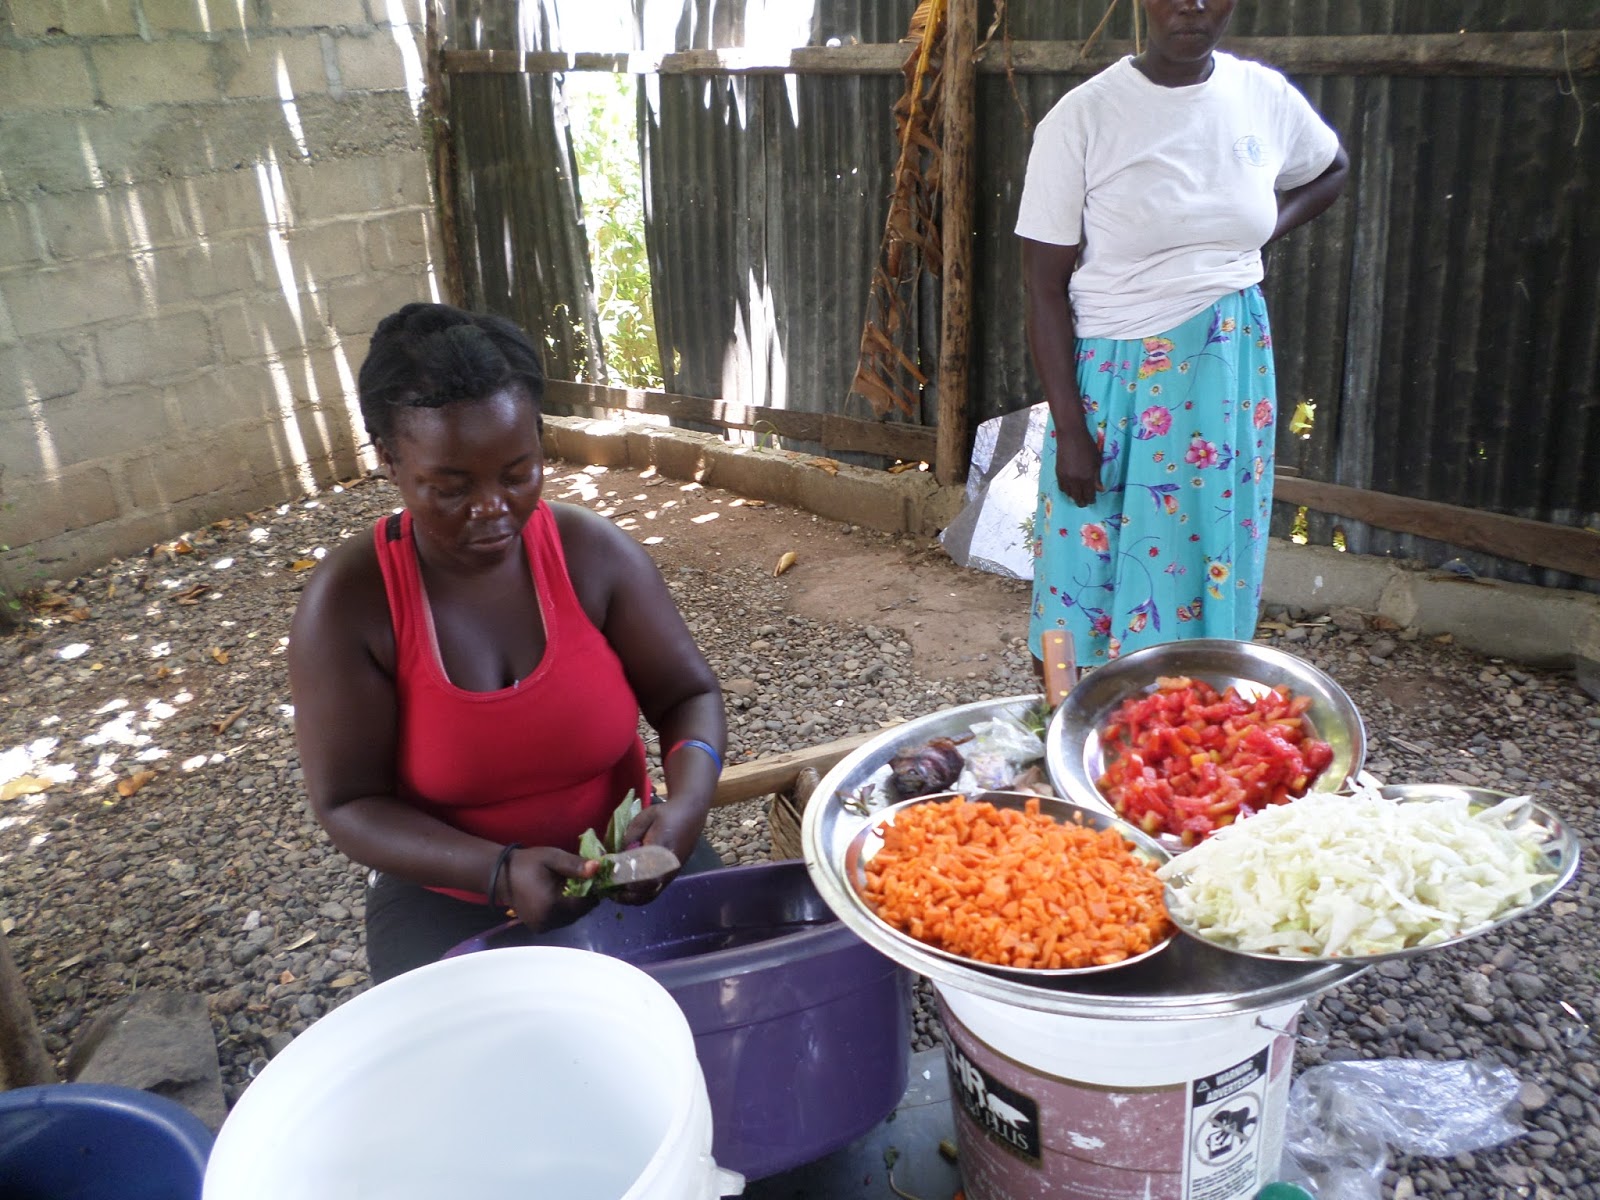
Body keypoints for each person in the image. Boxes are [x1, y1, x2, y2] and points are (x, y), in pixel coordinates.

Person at [288, 303, 726, 983]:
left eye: (518, 473)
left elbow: (688, 694)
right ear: (389, 461)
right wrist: (495, 873)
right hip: (450, 893)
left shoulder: (593, 558)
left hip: (632, 870)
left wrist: (686, 806)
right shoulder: (351, 605)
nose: (493, 508)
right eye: (449, 488)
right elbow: (348, 804)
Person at [1018, 0, 1348, 668]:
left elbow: (1332, 167)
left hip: (1227, 373)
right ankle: (1068, 728)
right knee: (1086, 570)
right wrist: (1073, 432)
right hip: (1118, 379)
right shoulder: (1084, 117)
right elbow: (1042, 288)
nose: (1192, 5)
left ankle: (1189, 725)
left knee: (1206, 556)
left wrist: (1255, 235)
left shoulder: (1260, 96)